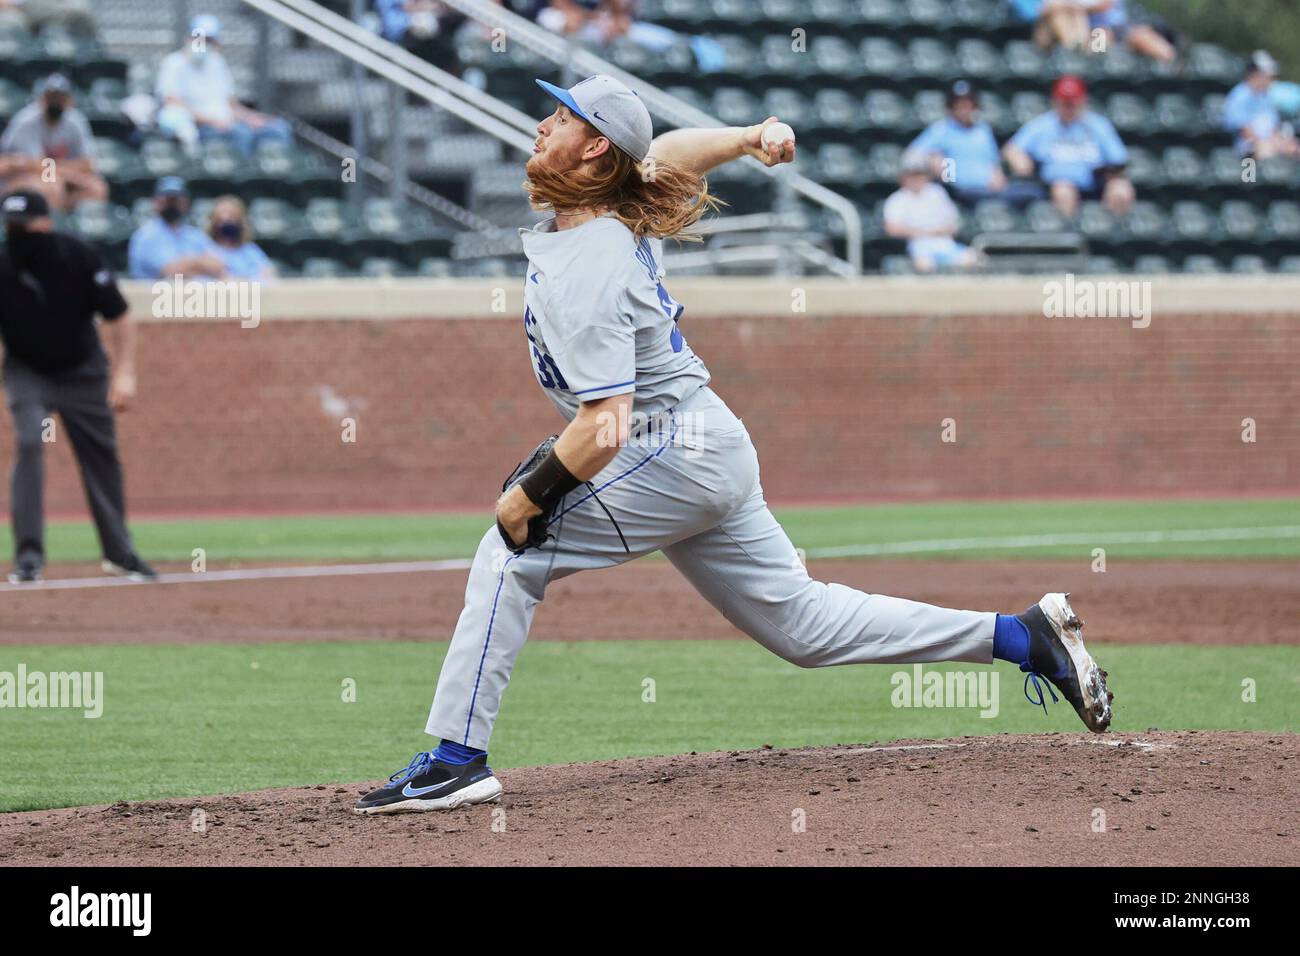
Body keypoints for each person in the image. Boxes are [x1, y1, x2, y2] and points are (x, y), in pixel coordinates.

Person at [353, 74, 1114, 815]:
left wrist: (527, 497)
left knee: (509, 552)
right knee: (804, 628)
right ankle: (1022, 637)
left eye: (562, 117)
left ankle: (457, 761)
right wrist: (749, 138)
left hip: (668, 448)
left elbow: (606, 423)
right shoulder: (617, 209)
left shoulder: (592, 261)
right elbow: (675, 155)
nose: (543, 124)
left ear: (593, 151)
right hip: (703, 438)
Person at [0, 191, 156, 584]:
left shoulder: (76, 255)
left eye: (26, 224)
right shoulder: (3, 262)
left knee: (101, 455)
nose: (19, 233)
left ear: (46, 222)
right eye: (12, 226)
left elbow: (119, 316)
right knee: (30, 442)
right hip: (27, 370)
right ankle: (29, 558)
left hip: (82, 370)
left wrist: (125, 374)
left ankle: (120, 553)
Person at [155, 14, 292, 156]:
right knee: (240, 133)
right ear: (189, 38)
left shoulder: (216, 63)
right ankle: (245, 176)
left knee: (278, 128)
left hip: (228, 122)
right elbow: (172, 103)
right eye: (200, 39)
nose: (203, 44)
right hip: (200, 127)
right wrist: (213, 121)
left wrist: (251, 118)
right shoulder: (174, 64)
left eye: (209, 40)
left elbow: (231, 104)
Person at [1004, 74, 1134, 218]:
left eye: (1073, 102)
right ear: (1055, 101)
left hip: (1096, 184)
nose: (1069, 107)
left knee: (1121, 189)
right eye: (1065, 103)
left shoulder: (1099, 125)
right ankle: (1069, 235)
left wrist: (1112, 173)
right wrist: (1019, 159)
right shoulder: (1042, 125)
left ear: (1083, 101)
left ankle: (1113, 235)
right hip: (1057, 185)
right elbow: (1012, 148)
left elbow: (1118, 158)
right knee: (1064, 191)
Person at [907, 81, 1040, 207]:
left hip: (991, 188)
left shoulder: (982, 129)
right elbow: (913, 155)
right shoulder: (941, 130)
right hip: (961, 190)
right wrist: (941, 167)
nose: (964, 108)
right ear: (950, 106)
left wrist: (998, 176)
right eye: (959, 104)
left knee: (1032, 193)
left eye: (968, 104)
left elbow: (993, 161)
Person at [0, 73, 108, 213]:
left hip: (58, 176)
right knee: (52, 187)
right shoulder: (26, 121)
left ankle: (73, 226)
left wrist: (62, 171)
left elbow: (88, 164)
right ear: (42, 99)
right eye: (52, 97)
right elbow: (37, 166)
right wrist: (69, 172)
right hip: (20, 179)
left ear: (69, 100)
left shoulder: (75, 121)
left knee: (96, 188)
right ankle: (51, 227)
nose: (56, 102)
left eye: (60, 98)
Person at [883, 151, 980, 273]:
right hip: (918, 246)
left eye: (919, 174)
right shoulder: (896, 199)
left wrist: (939, 231)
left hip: (944, 244)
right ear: (903, 177)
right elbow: (892, 229)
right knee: (925, 264)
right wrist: (924, 232)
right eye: (912, 175)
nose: (916, 179)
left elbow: (953, 224)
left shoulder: (937, 193)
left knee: (971, 258)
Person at [127, 177, 226, 281]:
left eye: (176, 200)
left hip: (193, 294)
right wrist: (199, 264)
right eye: (168, 200)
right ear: (156, 202)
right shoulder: (145, 236)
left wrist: (189, 265)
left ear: (186, 203)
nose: (172, 204)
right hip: (153, 295)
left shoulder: (195, 235)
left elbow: (219, 266)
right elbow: (170, 271)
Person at [1222, 51, 1300, 160]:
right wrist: (1273, 144)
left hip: (1269, 143)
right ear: (1254, 74)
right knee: (1268, 152)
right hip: (1248, 149)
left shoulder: (1265, 97)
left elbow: (1273, 128)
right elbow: (1245, 131)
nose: (1271, 79)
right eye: (1267, 75)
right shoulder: (1239, 96)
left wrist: (1284, 142)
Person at [373, 0, 466, 76]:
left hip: (415, 33)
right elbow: (408, 7)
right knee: (428, 27)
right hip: (400, 31)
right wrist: (437, 6)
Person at [206, 196, 275, 279]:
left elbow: (269, 273)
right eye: (221, 218)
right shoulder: (205, 248)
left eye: (232, 216)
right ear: (213, 221)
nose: (226, 220)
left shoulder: (250, 250)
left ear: (241, 220)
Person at [1087, 0, 1177, 63]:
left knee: (1163, 50)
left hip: (1122, 27)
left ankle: (1175, 78)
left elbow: (1106, 4)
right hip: (1096, 28)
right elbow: (1103, 5)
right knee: (1099, 45)